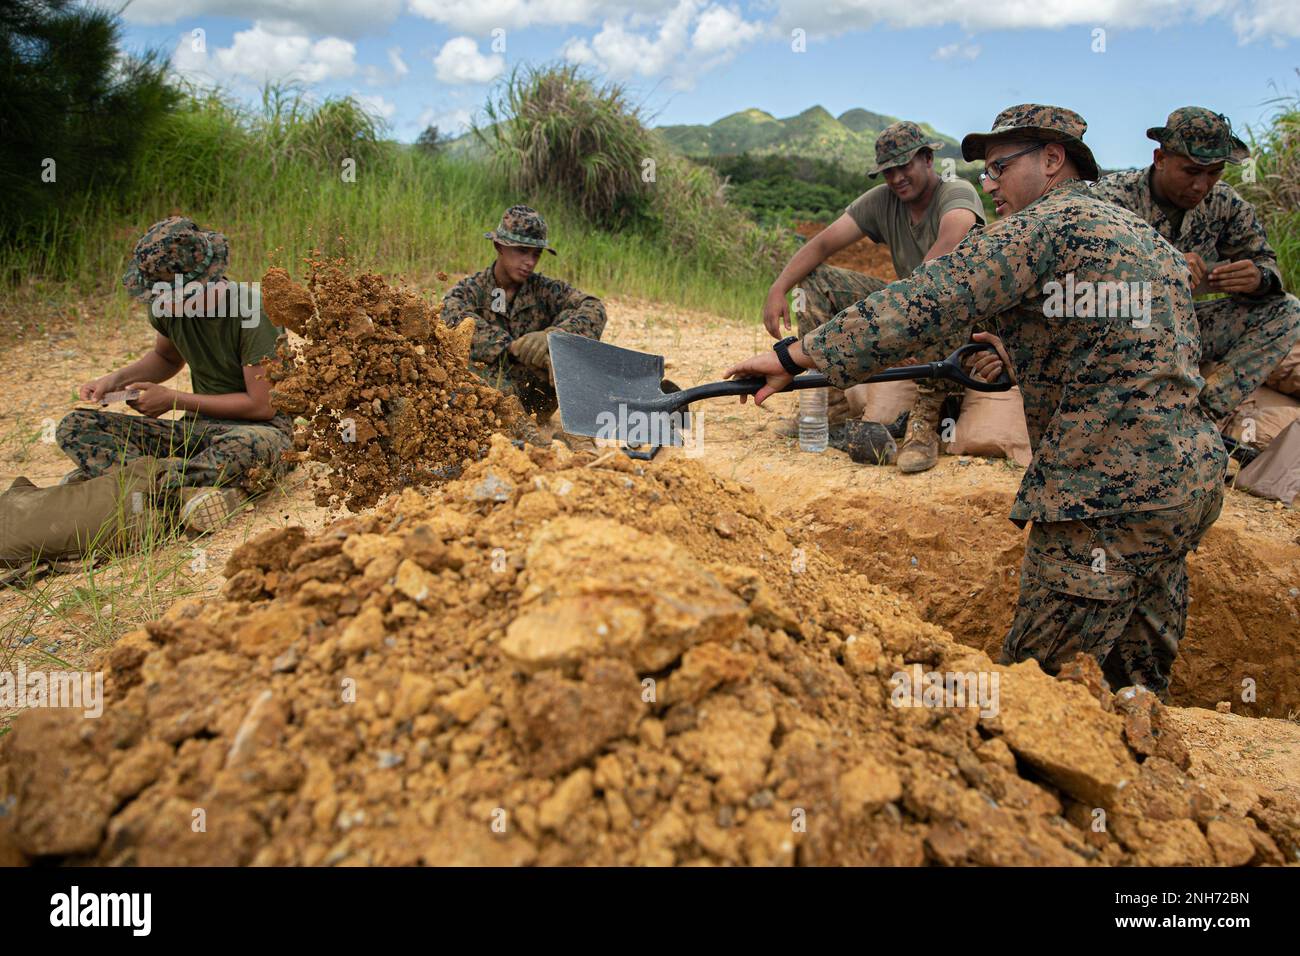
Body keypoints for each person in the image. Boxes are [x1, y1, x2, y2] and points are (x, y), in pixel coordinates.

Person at [725, 105, 1225, 696]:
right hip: (1189, 487)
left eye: (998, 168)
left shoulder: (1041, 227)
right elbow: (1141, 347)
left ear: (1052, 159)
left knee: (1038, 694)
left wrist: (793, 357)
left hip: (1105, 502)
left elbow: (926, 300)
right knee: (1135, 687)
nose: (988, 185)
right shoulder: (1143, 239)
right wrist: (1023, 351)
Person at [762, 120, 984, 471]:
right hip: (906, 309)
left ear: (928, 159)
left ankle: (924, 425)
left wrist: (897, 332)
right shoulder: (885, 200)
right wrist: (778, 288)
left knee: (941, 296)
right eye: (888, 171)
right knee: (815, 280)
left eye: (904, 166)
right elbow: (822, 243)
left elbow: (939, 266)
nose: (896, 178)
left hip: (956, 316)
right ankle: (830, 412)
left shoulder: (957, 193)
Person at [56, 216, 292, 533]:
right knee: (74, 427)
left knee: (250, 448)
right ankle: (186, 488)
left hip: (259, 431)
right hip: (196, 433)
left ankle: (128, 485)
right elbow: (165, 357)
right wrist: (114, 380)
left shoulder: (253, 310)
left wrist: (174, 400)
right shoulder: (166, 308)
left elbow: (262, 406)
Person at [1091, 107, 1300, 423]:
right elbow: (1079, 284)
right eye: (1191, 172)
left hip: (1185, 331)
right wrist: (1162, 266)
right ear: (1160, 159)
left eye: (1214, 172)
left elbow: (1264, 260)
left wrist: (1260, 278)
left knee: (1286, 310)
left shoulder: (1225, 204)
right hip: (1117, 331)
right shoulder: (1111, 198)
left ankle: (1200, 416)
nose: (1202, 186)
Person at [441, 205, 606, 422]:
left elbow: (594, 307)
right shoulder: (472, 289)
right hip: (487, 397)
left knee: (572, 343)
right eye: (521, 251)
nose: (529, 262)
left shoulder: (544, 290)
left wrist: (553, 336)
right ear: (499, 246)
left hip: (538, 396)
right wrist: (510, 347)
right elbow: (450, 313)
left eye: (536, 254)